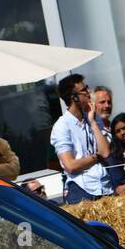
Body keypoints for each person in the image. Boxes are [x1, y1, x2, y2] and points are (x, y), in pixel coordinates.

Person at [51, 73, 113, 204]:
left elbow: (106, 152)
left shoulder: (93, 117)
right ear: (74, 97)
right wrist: (96, 157)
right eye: (84, 90)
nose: (89, 92)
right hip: (82, 189)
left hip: (105, 186)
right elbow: (70, 166)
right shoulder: (62, 126)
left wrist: (93, 122)